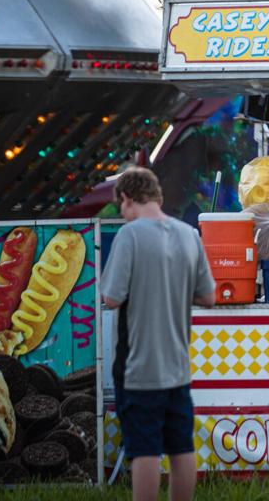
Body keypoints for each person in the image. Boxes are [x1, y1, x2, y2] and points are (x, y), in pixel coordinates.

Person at [101, 167, 215, 501]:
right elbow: (207, 296)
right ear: (158, 196)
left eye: (121, 208)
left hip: (138, 368)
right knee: (181, 447)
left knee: (144, 450)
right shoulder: (188, 234)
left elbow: (111, 297)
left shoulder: (130, 235)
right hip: (177, 367)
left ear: (126, 199)